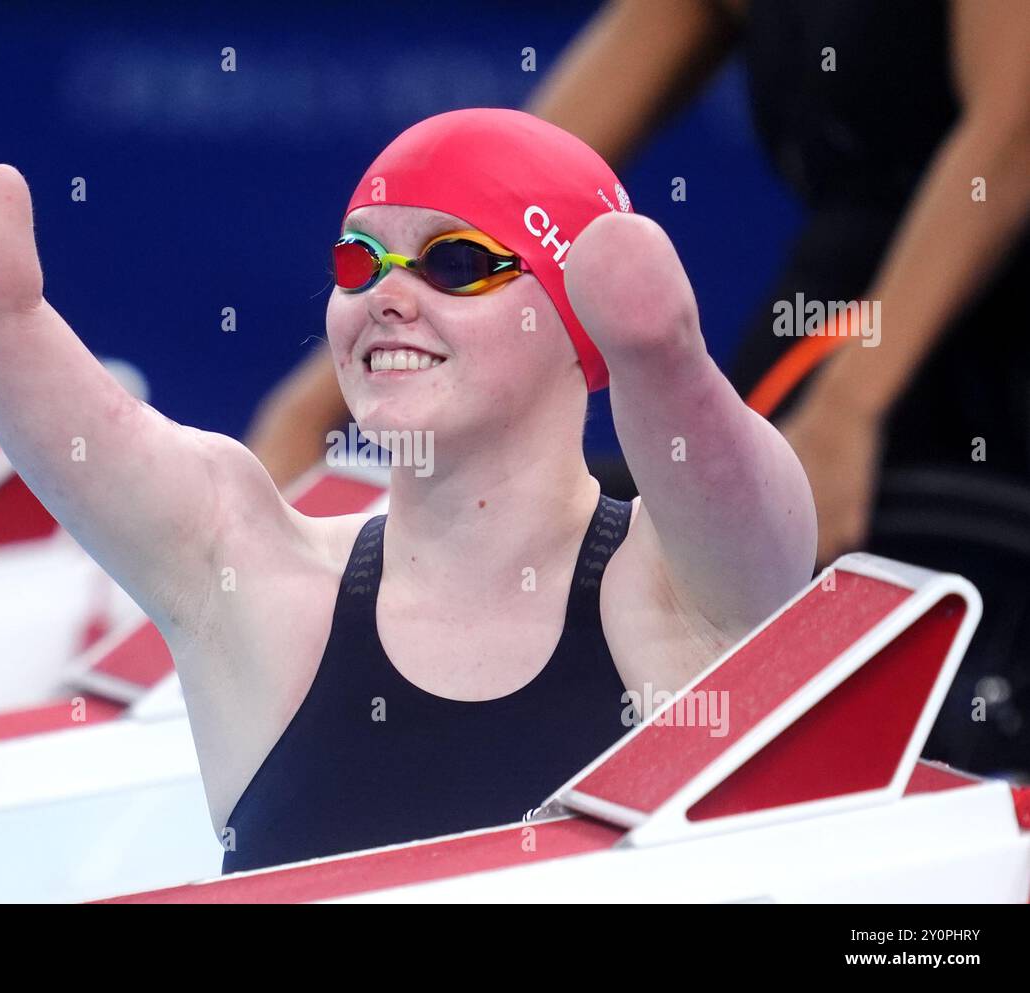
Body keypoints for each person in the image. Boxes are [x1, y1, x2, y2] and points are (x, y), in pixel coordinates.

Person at [0, 108, 815, 873]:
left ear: (578, 316)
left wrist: (661, 353)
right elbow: (33, 368)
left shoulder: (669, 590)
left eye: (454, 262)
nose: (387, 293)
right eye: (358, 261)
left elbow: (747, 509)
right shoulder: (262, 586)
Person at [247, 0, 1030, 775]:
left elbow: (1015, 133)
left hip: (980, 342)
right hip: (840, 297)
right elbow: (528, 182)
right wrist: (316, 401)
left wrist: (848, 409)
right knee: (561, 531)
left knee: (758, 564)